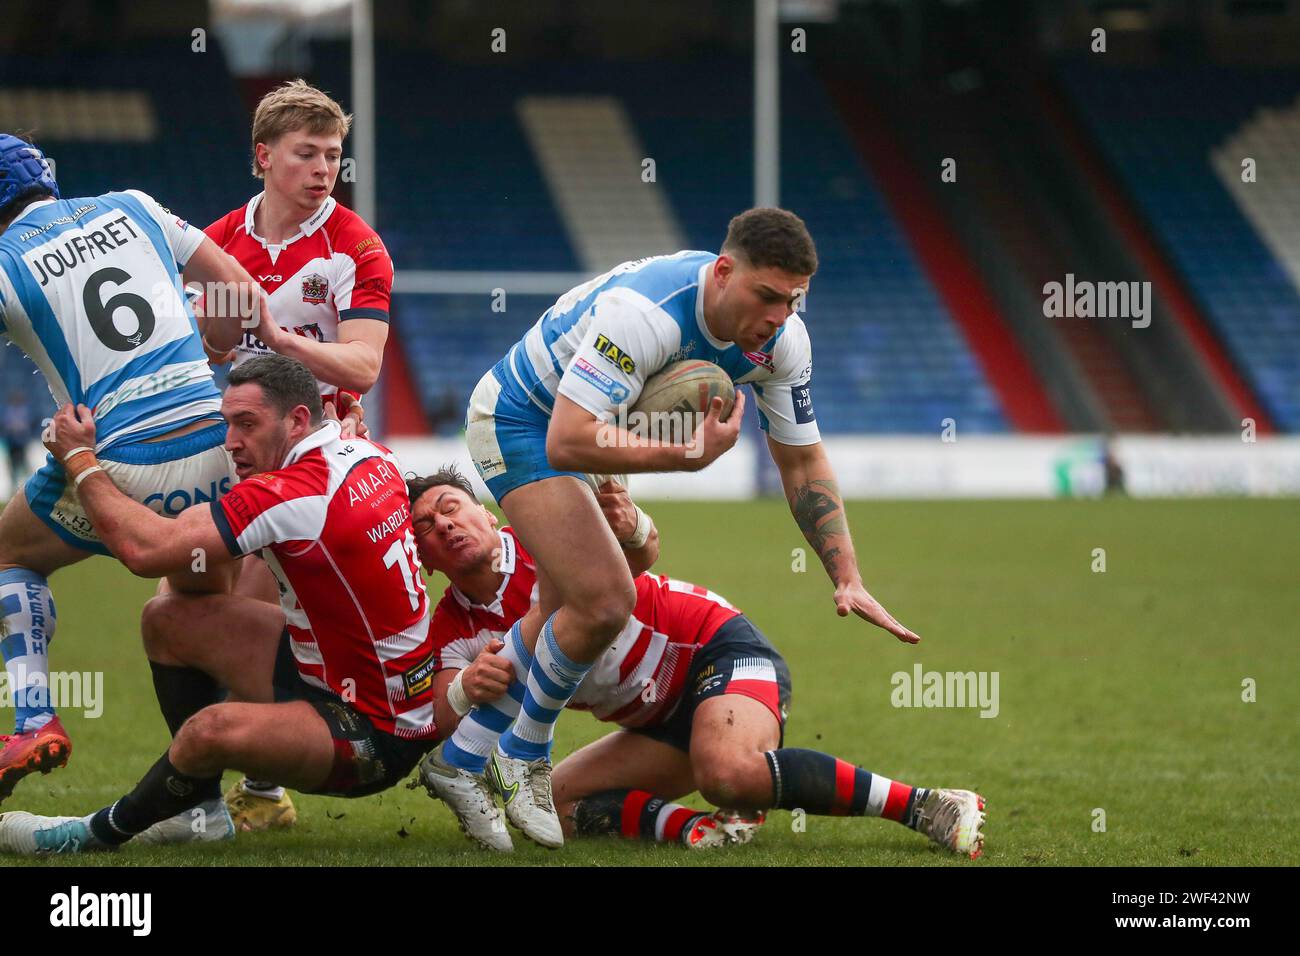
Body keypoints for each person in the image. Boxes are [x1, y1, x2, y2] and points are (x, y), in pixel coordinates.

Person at [452, 207, 922, 847]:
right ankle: (524, 749)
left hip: (587, 422)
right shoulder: (645, 315)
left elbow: (802, 458)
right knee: (605, 597)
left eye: (793, 300)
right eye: (766, 296)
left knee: (567, 601)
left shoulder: (781, 341)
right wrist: (686, 456)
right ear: (724, 272)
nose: (779, 315)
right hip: (518, 418)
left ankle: (459, 759)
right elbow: (566, 440)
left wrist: (847, 575)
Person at [410, 467, 985, 858]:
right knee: (556, 803)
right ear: (425, 562)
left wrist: (631, 521)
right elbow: (438, 714)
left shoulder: (544, 540)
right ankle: (702, 831)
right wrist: (465, 687)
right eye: (427, 529)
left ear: (488, 515)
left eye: (452, 508)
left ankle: (929, 805)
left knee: (727, 774)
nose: (445, 526)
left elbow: (638, 551)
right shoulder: (450, 627)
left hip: (715, 647)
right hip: (652, 721)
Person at [0, 355, 438, 855]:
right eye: (226, 422)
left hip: (373, 730)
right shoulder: (364, 450)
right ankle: (199, 810)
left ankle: (91, 836)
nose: (230, 443)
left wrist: (80, 460)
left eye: (247, 425)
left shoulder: (293, 492)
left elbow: (146, 552)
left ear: (298, 420)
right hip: (346, 674)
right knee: (168, 620)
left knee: (208, 732)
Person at [0, 133, 266, 802]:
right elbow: (240, 294)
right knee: (196, 614)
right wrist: (207, 351)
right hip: (214, 448)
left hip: (118, 461)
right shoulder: (134, 206)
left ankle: (32, 718)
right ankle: (221, 794)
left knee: (7, 554)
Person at [198, 78, 396, 829]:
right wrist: (223, 320)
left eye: (333, 155)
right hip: (244, 448)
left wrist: (279, 337)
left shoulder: (355, 245)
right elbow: (213, 349)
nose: (323, 169)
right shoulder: (217, 243)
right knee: (205, 606)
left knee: (259, 614)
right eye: (306, 153)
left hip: (325, 458)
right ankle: (254, 780)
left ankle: (262, 779)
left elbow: (366, 366)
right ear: (263, 156)